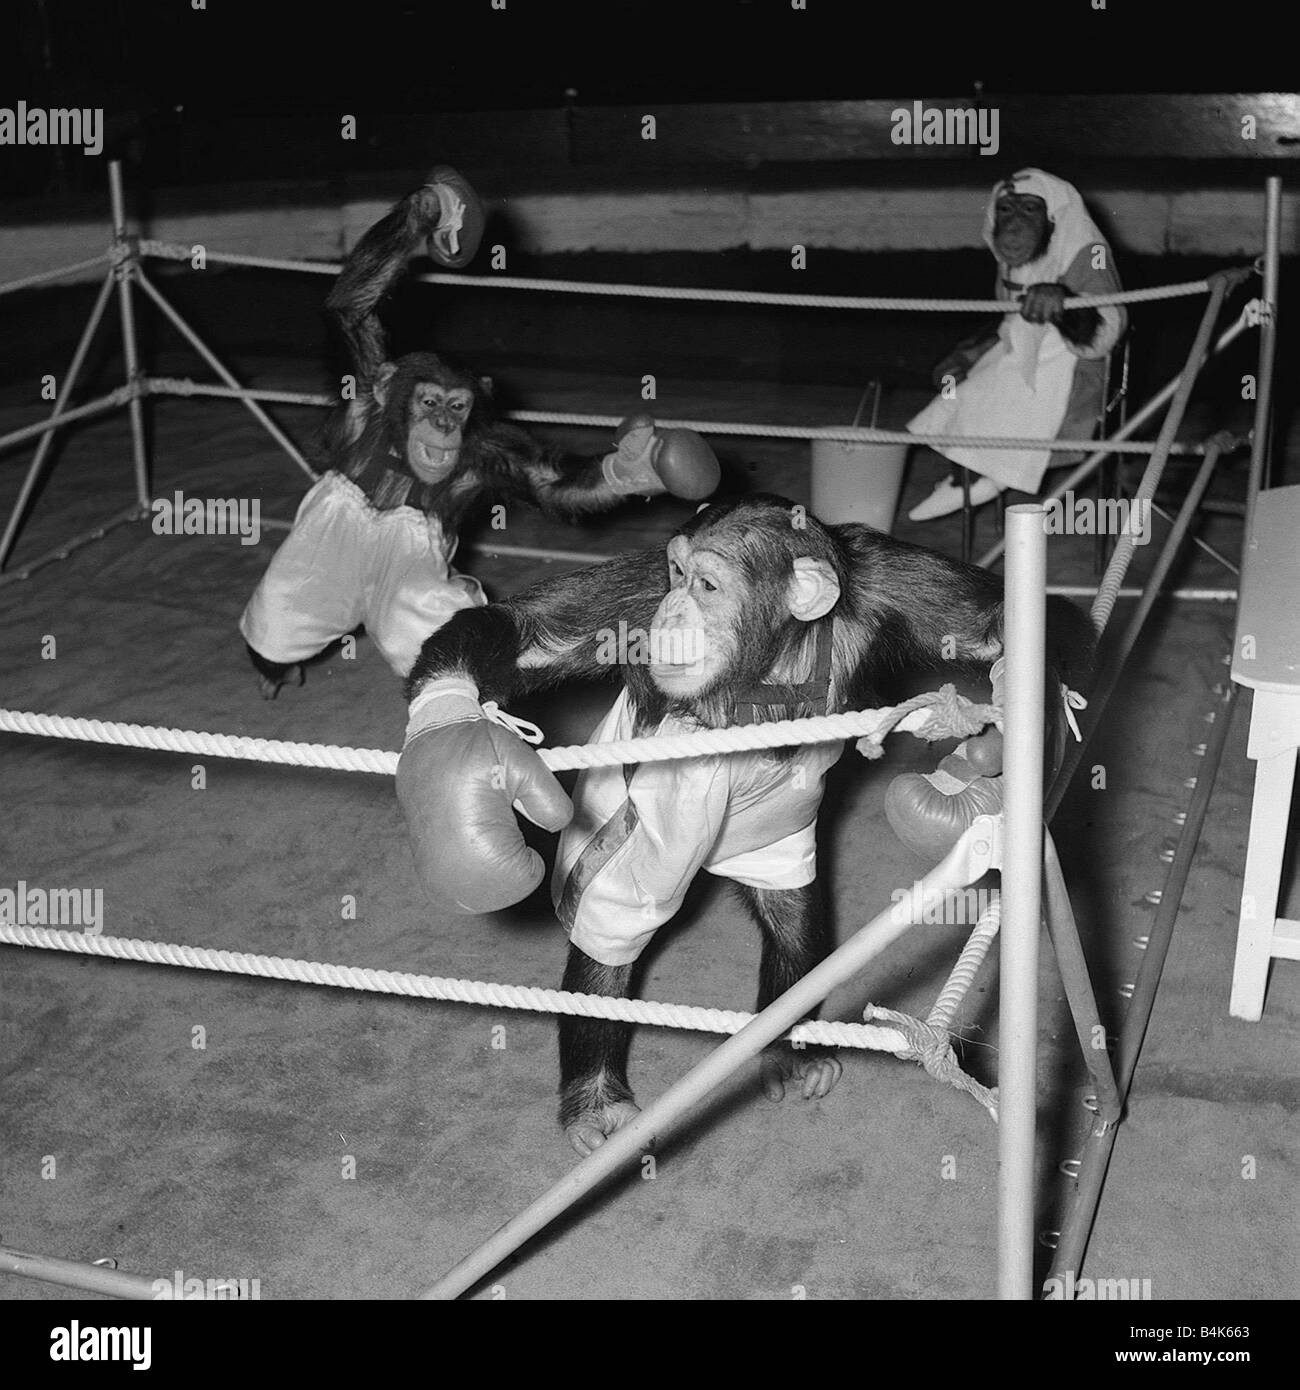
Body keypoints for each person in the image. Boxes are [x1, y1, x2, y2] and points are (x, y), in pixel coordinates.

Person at [907, 168, 1127, 522]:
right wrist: (967, 354)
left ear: (1053, 218)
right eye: (1007, 210)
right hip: (1022, 355)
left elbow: (1106, 331)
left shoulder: (1084, 248)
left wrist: (1063, 300)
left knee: (990, 390)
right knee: (956, 385)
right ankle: (967, 473)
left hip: (1074, 370)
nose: (1014, 225)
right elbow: (1009, 320)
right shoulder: (1012, 261)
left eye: (1029, 210)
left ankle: (983, 475)